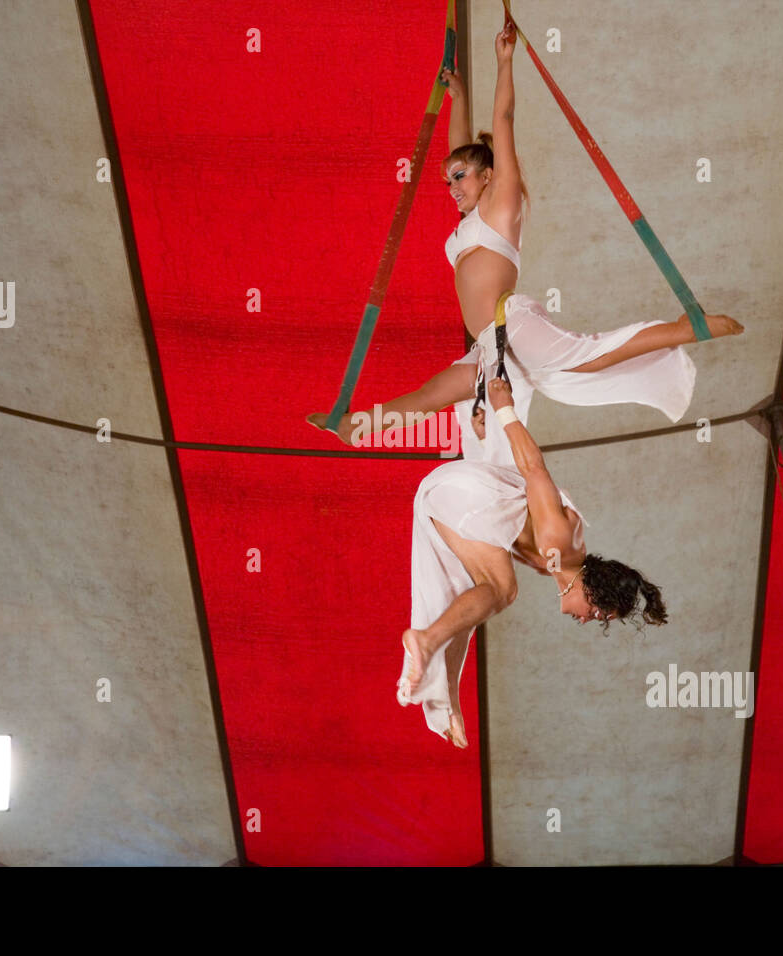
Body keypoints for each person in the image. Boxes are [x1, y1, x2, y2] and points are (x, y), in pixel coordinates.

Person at [308, 23, 743, 462]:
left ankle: (686, 328)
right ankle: (354, 426)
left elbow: (503, 120)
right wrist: (457, 98)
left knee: (583, 359)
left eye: (460, 178)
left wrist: (504, 62)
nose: (452, 187)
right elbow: (459, 153)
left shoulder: (503, 202)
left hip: (509, 323)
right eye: (448, 182)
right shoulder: (471, 218)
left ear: (490, 176)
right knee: (435, 393)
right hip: (489, 344)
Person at [396, 378, 668, 746]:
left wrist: (481, 428)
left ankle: (443, 694)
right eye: (599, 613)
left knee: (471, 598)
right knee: (501, 590)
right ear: (594, 591)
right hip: (460, 492)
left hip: (448, 498)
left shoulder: (551, 564)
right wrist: (504, 408)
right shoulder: (562, 542)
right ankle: (425, 642)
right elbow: (533, 470)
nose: (587, 621)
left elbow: (506, 495)